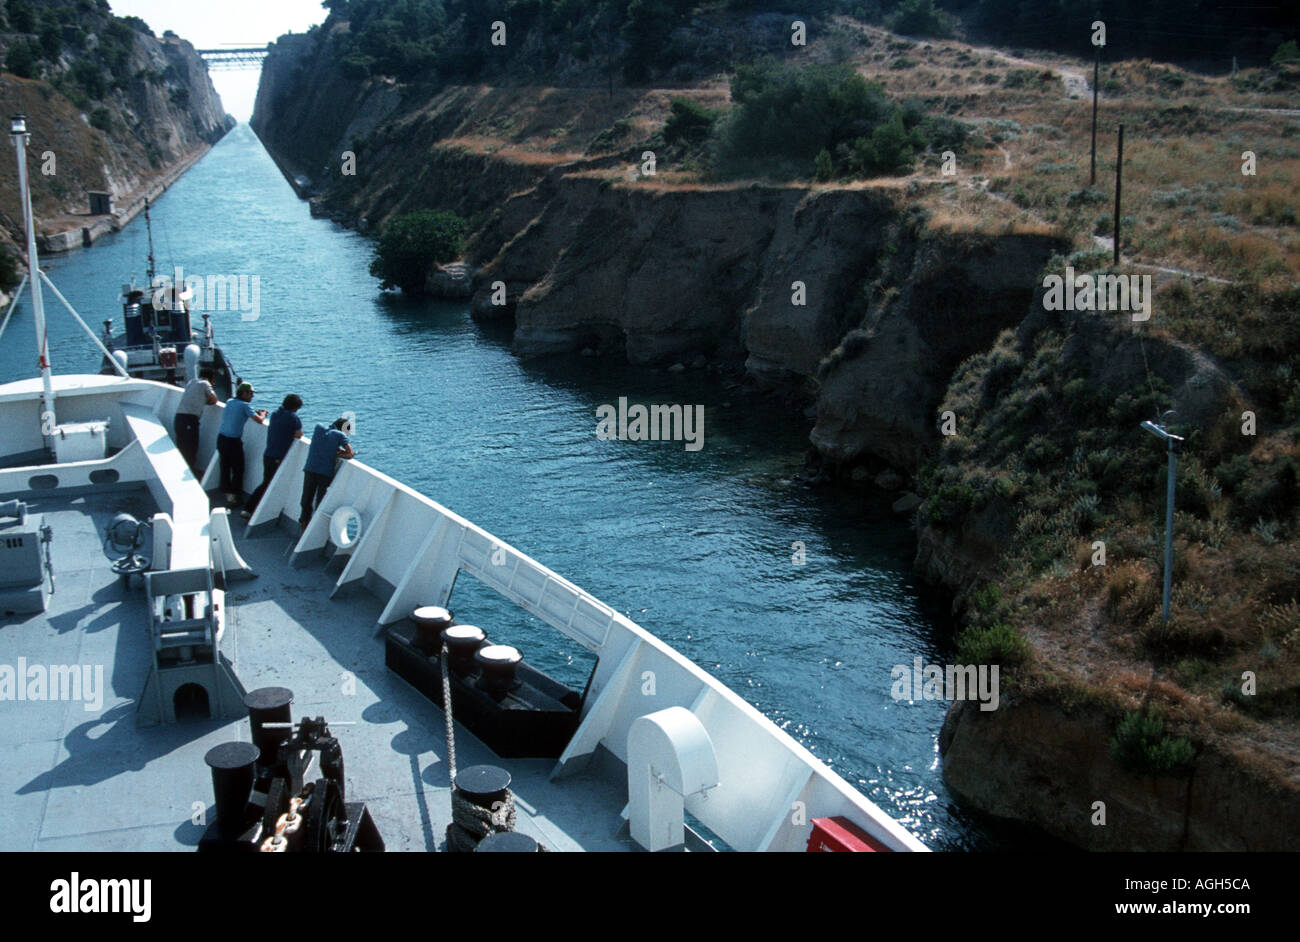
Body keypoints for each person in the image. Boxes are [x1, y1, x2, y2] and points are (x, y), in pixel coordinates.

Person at [242, 393, 304, 519]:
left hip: (268, 454)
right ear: (294, 408)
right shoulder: (293, 418)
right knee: (267, 484)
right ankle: (248, 509)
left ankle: (252, 509)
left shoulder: (275, 414)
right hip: (278, 456)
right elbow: (298, 435)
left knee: (266, 482)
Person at [300, 416, 354, 532]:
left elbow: (323, 443)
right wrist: (336, 454)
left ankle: (303, 526)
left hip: (310, 469)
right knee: (320, 502)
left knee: (306, 500)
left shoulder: (318, 427)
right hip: (324, 473)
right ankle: (314, 530)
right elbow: (350, 453)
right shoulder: (340, 435)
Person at [216, 381, 267, 505]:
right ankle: (235, 497)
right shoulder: (245, 405)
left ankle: (227, 493)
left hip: (221, 439)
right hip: (233, 442)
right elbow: (259, 421)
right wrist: (263, 414)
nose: (252, 396)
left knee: (225, 467)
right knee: (238, 469)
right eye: (250, 394)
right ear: (244, 393)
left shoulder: (229, 401)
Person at [175, 369, 217, 474]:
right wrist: (206, 400)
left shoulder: (191, 382)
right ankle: (191, 473)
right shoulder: (205, 383)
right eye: (213, 380)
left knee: (182, 447)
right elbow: (214, 399)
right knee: (191, 448)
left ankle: (181, 470)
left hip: (178, 418)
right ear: (210, 378)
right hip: (189, 420)